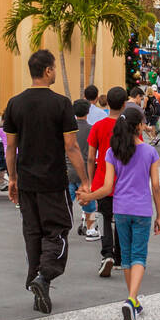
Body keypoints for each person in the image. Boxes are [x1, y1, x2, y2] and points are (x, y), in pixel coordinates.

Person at [3, 49, 90, 315]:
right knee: (58, 231)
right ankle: (44, 277)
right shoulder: (61, 103)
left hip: (27, 181)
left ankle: (37, 286)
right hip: (53, 181)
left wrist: (13, 179)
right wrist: (85, 179)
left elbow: (10, 147)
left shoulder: (14, 103)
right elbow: (71, 146)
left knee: (33, 233)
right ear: (49, 71)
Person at [80, 106, 160, 320]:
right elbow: (155, 185)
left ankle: (133, 300)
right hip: (142, 210)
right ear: (138, 126)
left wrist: (89, 196)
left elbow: (108, 187)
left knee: (125, 257)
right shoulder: (149, 152)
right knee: (139, 257)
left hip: (121, 209)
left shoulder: (112, 152)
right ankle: (131, 300)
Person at [87, 86, 127, 278]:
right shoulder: (129, 127)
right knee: (119, 218)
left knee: (103, 217)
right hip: (124, 181)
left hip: (102, 180)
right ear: (125, 103)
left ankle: (107, 254)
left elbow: (90, 156)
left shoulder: (98, 126)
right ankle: (119, 256)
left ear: (107, 103)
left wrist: (89, 179)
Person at [69, 87, 99, 239]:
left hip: (68, 171)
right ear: (88, 112)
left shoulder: (68, 130)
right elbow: (93, 155)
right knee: (89, 203)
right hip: (85, 173)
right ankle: (91, 229)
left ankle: (62, 229)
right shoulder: (92, 129)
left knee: (66, 202)